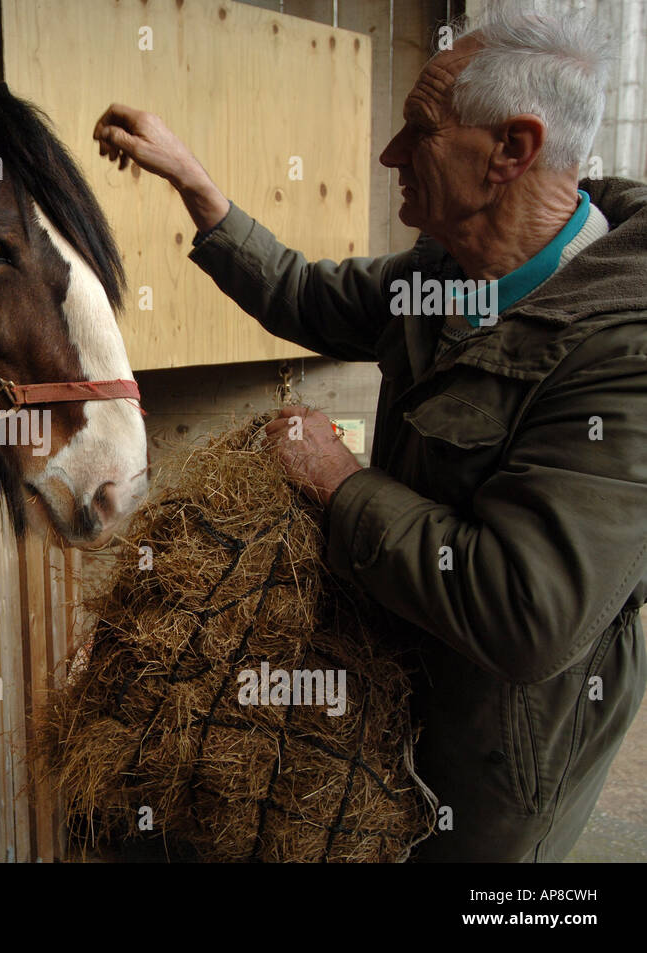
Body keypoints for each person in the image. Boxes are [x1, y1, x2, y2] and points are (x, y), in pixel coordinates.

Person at [93, 3, 647, 861]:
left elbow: (528, 610)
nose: (389, 155)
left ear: (512, 149)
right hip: (392, 698)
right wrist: (198, 187)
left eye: (419, 129)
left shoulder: (621, 347)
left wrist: (340, 482)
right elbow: (307, 295)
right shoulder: (448, 275)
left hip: (496, 761)